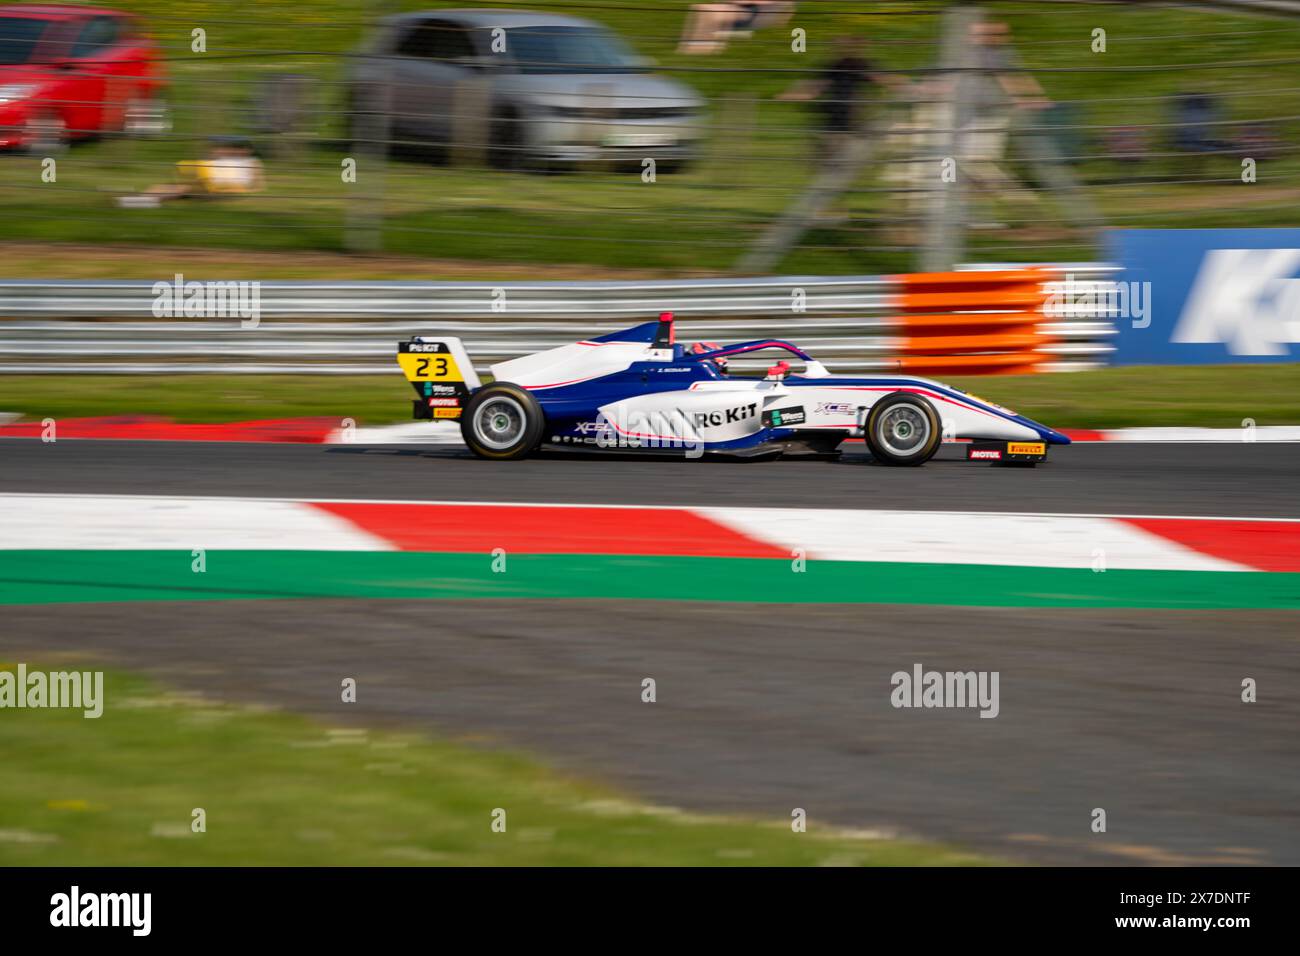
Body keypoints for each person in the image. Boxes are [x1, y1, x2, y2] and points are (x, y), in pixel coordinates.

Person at [116, 137, 265, 208]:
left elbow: (253, 184)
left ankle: (136, 201)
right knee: (166, 186)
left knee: (181, 189)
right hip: (209, 187)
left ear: (243, 150)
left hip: (220, 191)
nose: (221, 150)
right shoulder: (224, 160)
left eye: (226, 148)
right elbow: (208, 171)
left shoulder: (250, 163)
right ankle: (138, 199)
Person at [678, 2, 795, 55]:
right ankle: (697, 48)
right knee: (704, 9)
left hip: (752, 14)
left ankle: (704, 48)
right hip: (743, 10)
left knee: (714, 12)